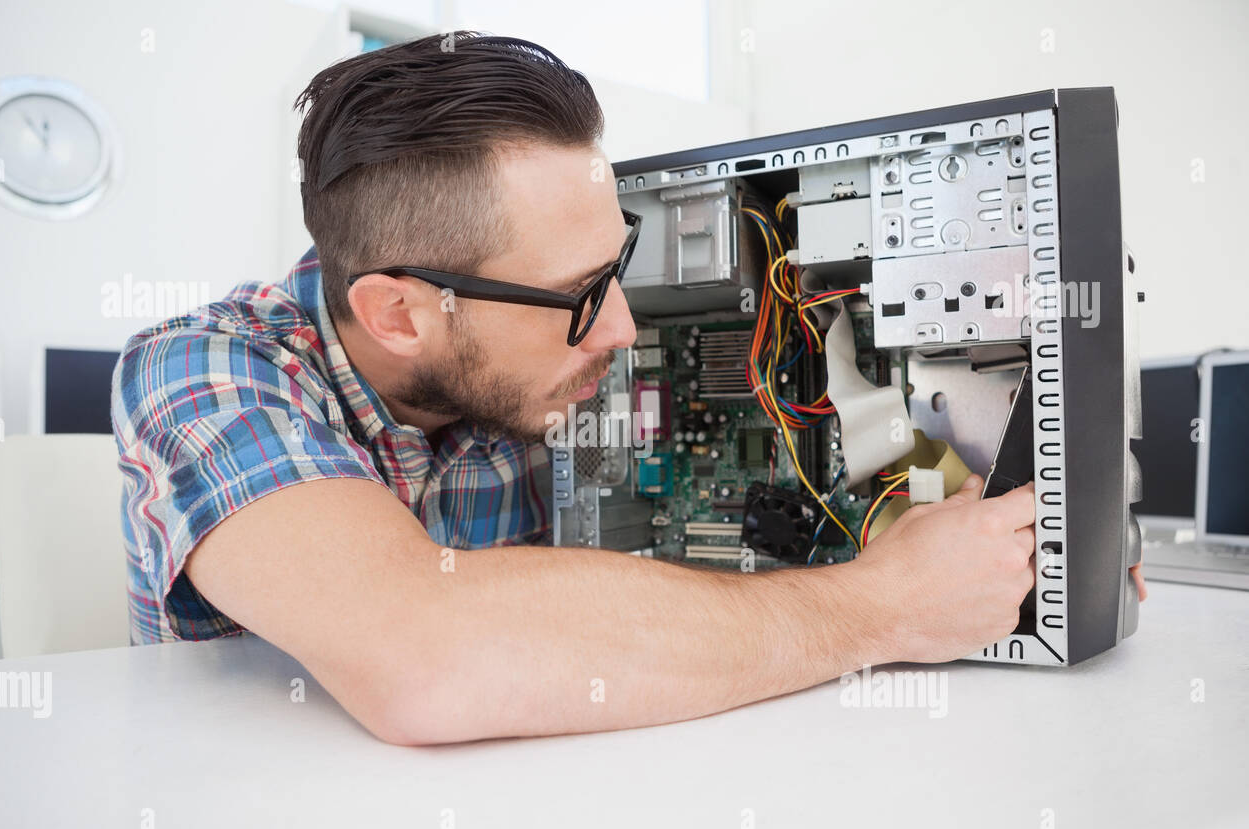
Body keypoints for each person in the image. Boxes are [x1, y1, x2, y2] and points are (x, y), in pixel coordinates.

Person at [112, 32, 1145, 745]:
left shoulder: (533, 370)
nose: (623, 328)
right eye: (577, 296)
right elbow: (421, 653)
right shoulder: (206, 373)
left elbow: (692, 578)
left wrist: (1000, 565)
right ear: (399, 313)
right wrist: (879, 607)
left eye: (621, 263)